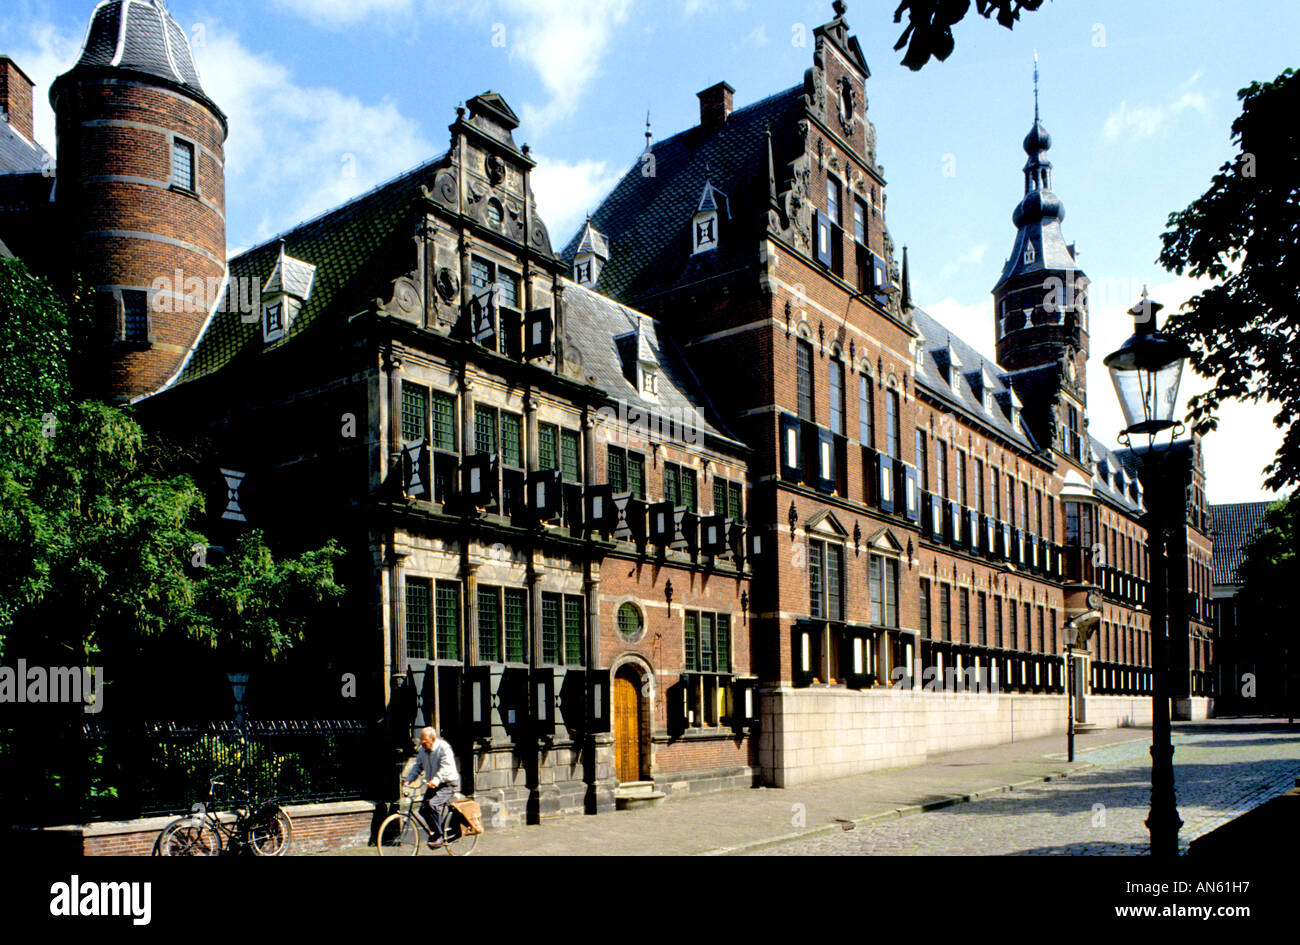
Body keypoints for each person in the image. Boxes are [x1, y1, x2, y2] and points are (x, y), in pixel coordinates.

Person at [404, 726, 460, 849]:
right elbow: (417, 766)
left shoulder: (444, 748)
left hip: (448, 783)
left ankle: (439, 836)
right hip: (434, 784)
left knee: (432, 804)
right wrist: (409, 779)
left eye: (425, 742)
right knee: (423, 809)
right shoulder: (422, 750)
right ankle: (435, 832)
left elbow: (446, 767)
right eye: (421, 742)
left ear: (433, 739)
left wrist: (436, 779)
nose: (422, 744)